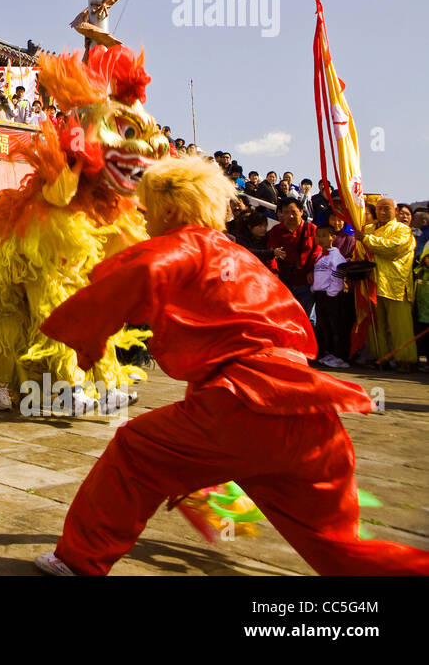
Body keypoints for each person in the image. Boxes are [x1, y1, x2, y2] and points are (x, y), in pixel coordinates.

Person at [33, 155, 429, 576]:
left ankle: (78, 559)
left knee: (136, 451)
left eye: (146, 211)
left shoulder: (183, 245)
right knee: (337, 549)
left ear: (168, 210)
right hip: (309, 413)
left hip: (243, 405)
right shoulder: (240, 257)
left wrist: (86, 335)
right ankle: (234, 527)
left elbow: (133, 274)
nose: (144, 221)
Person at [355, 196, 416, 371]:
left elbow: (392, 248)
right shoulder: (367, 229)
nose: (382, 212)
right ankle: (379, 357)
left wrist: (366, 240)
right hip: (372, 283)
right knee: (376, 325)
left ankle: (405, 360)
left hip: (395, 284)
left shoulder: (402, 230)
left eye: (386, 209)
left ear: (395, 212)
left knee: (400, 325)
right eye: (379, 209)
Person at [266, 197, 320, 316]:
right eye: (286, 213)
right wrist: (274, 273)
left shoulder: (312, 229)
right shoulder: (276, 231)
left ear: (301, 212)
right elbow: (271, 253)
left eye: (293, 212)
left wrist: (312, 270)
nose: (290, 216)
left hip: (305, 283)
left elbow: (317, 253)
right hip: (284, 283)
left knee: (306, 318)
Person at [312, 224, 350, 368]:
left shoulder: (335, 255)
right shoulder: (320, 255)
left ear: (333, 237)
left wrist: (332, 292)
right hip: (320, 294)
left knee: (335, 326)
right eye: (318, 235)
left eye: (324, 235)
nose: (320, 239)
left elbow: (338, 273)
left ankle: (339, 356)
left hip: (331, 295)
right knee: (324, 326)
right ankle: (328, 353)